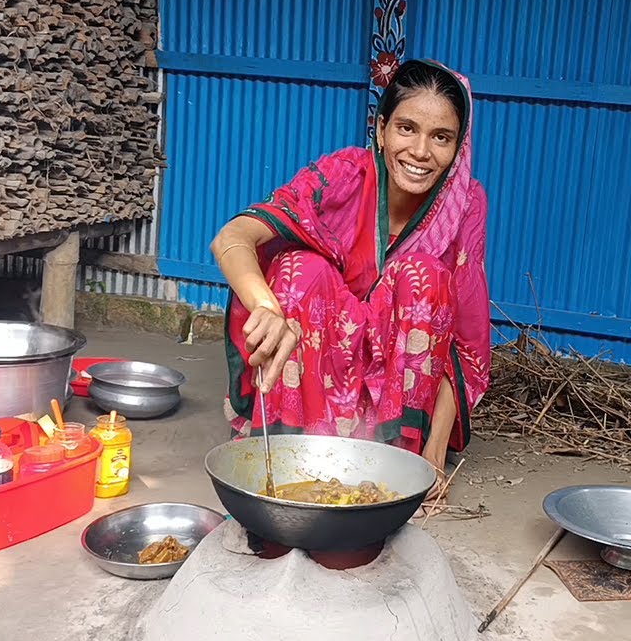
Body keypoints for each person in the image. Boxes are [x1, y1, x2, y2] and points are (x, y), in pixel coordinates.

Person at [210, 60, 490, 502]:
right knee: (301, 269)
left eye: (442, 137)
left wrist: (434, 454)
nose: (420, 151)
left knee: (427, 277)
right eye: (406, 128)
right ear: (381, 129)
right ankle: (290, 444)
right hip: (316, 372)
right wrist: (265, 306)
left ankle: (402, 456)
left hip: (395, 390)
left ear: (459, 146)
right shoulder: (345, 175)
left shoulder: (466, 203)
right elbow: (234, 237)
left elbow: (464, 337)